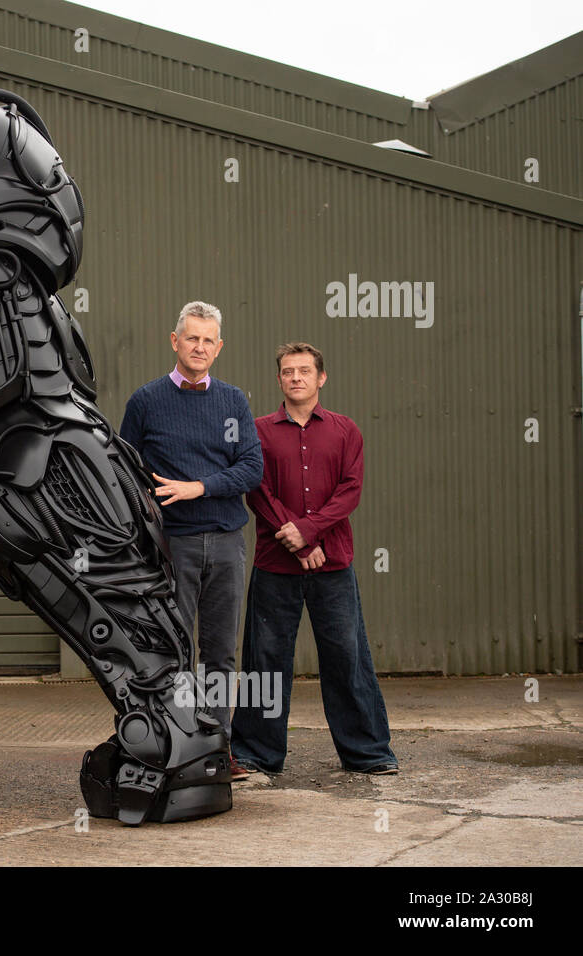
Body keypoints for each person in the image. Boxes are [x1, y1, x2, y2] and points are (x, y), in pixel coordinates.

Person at [230, 342, 398, 775]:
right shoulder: (259, 431)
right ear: (279, 380)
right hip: (275, 566)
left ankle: (368, 752)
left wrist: (308, 530)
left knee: (347, 656)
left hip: (334, 565)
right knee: (264, 661)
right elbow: (256, 491)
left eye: (305, 371)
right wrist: (301, 542)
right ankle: (256, 753)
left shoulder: (346, 431)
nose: (296, 378)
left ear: (321, 378)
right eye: (288, 371)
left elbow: (350, 492)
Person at [119, 301, 263, 778]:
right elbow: (126, 474)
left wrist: (198, 487)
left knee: (219, 653)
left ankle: (217, 751)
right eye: (192, 337)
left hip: (226, 543)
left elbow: (252, 467)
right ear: (174, 341)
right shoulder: (146, 402)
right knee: (171, 652)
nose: (199, 346)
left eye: (208, 340)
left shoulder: (233, 402)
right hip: (170, 546)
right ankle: (177, 748)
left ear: (218, 348)